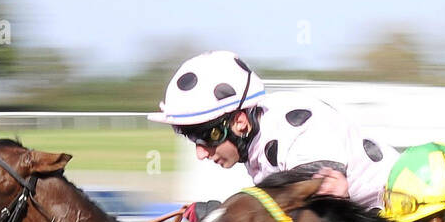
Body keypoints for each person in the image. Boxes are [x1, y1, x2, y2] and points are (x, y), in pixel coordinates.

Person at [148, 50, 399, 212]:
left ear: (239, 122)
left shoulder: (298, 132)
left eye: (207, 137)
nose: (201, 153)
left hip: (405, 216)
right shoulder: (258, 141)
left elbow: (317, 216)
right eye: (192, 139)